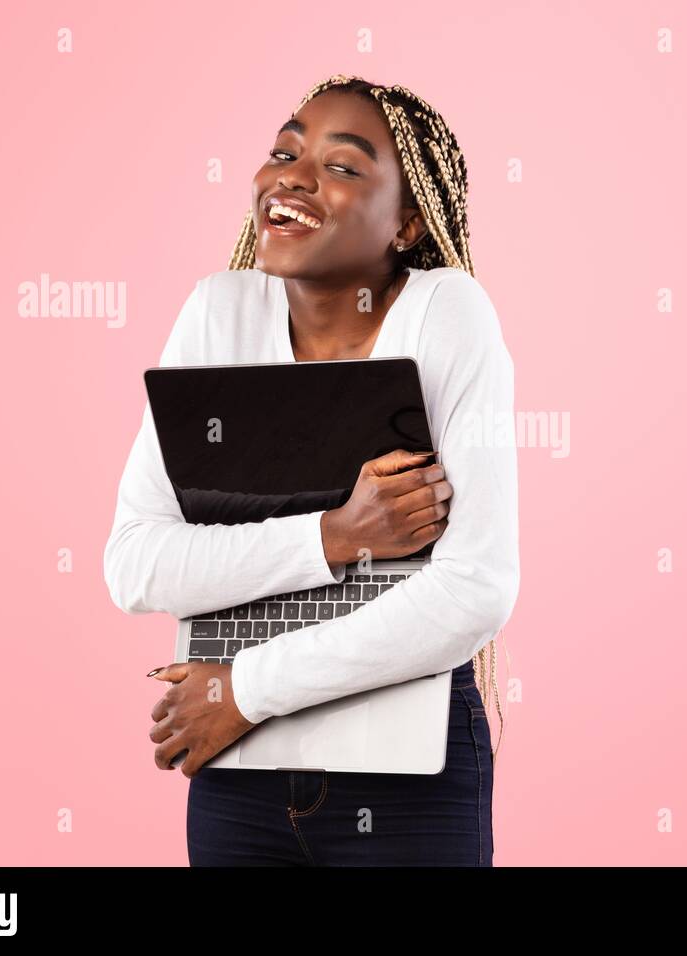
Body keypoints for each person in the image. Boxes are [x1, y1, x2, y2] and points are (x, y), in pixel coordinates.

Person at [102, 74, 519, 865]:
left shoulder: (447, 313)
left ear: (406, 223)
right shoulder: (217, 313)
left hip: (402, 772)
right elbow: (135, 564)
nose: (290, 175)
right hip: (239, 776)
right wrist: (333, 537)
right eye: (284, 151)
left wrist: (244, 691)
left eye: (342, 165)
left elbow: (475, 588)